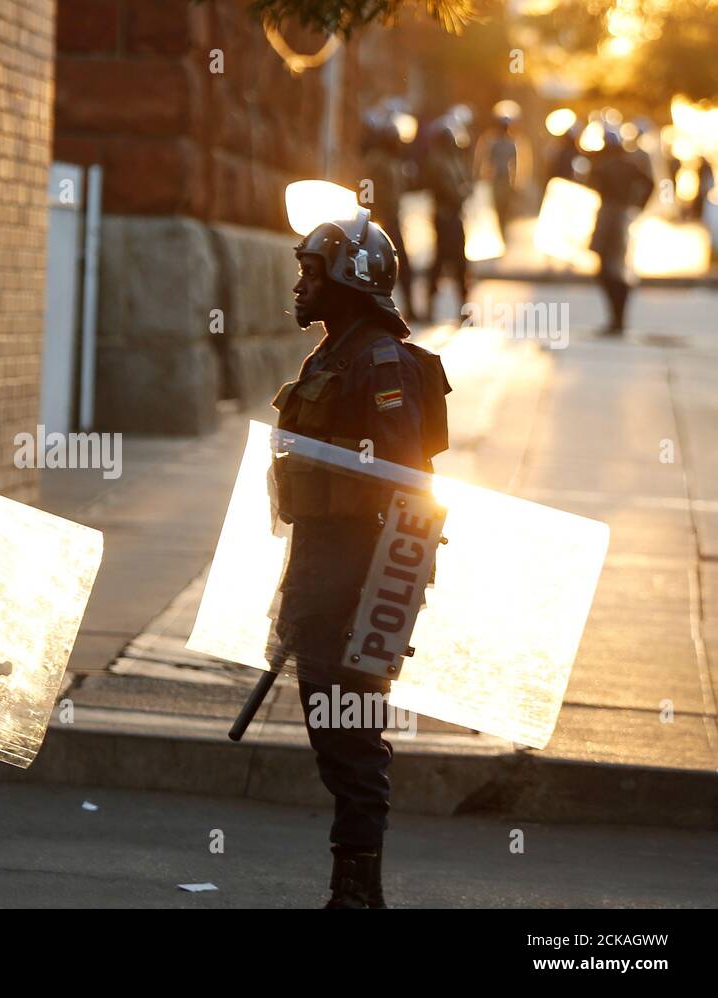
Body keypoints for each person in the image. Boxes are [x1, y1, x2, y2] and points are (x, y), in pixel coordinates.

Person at [267, 209, 450, 908]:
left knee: (352, 735)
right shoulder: (334, 353)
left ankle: (357, 889)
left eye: (311, 273)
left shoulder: (379, 361)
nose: (299, 286)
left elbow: (406, 486)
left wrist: (378, 601)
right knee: (333, 730)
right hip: (320, 576)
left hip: (359, 584)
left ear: (349, 281)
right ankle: (352, 882)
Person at [589, 131, 653, 334]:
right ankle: (617, 319)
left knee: (610, 271)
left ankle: (617, 319)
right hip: (621, 216)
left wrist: (637, 206)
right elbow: (649, 183)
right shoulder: (628, 164)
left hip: (610, 217)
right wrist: (638, 206)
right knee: (614, 269)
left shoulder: (605, 166)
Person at [362, 112, 418, 321]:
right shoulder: (375, 161)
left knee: (402, 264)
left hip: (393, 219)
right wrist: (368, 217)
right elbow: (365, 190)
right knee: (372, 267)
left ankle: (410, 307)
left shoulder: (396, 164)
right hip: (379, 222)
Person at [423, 118, 474, 321]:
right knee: (441, 262)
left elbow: (464, 184)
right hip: (445, 217)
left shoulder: (454, 161)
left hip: (454, 216)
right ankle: (430, 307)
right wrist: (461, 194)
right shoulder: (438, 162)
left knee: (459, 264)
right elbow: (448, 190)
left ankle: (463, 309)